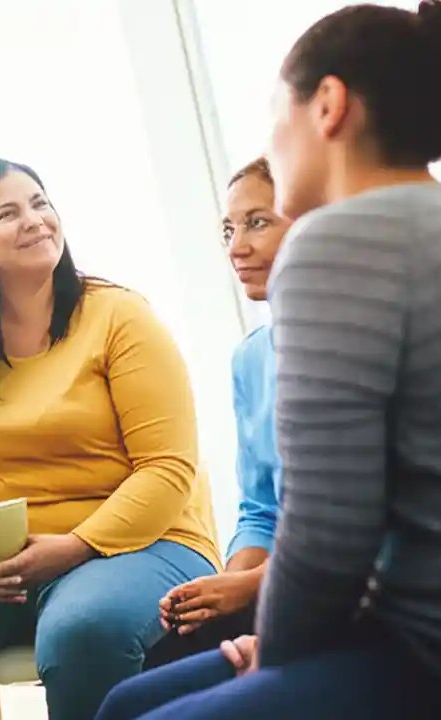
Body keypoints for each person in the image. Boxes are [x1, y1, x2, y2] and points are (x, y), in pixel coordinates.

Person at [97, 3, 441, 718]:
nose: (273, 141)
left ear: (328, 105)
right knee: (125, 705)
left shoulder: (331, 245)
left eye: (276, 117)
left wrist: (279, 653)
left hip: (425, 654)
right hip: (390, 625)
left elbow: (329, 534)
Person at [0, 158, 221, 720]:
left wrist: (74, 547)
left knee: (80, 631)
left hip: (146, 543)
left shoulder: (119, 317)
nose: (34, 220)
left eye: (40, 203)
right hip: (4, 567)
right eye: (8, 213)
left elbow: (167, 470)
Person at [143, 158, 293, 670]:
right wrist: (226, 588)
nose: (237, 247)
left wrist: (249, 588)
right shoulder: (251, 359)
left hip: (342, 592)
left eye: (258, 222)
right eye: (229, 229)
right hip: (280, 582)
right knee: (160, 664)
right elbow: (259, 511)